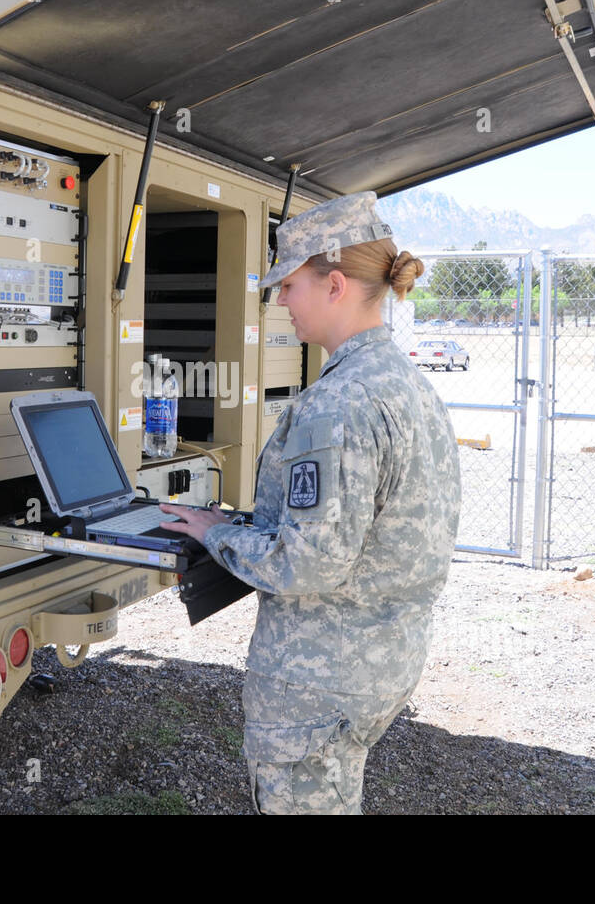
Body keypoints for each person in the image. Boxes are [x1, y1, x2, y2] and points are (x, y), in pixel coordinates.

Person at [159, 191, 461, 815]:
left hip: (315, 684)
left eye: (289, 285)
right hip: (379, 661)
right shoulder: (406, 385)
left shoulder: (340, 403)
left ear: (334, 285)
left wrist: (216, 533)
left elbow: (310, 564)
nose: (279, 302)